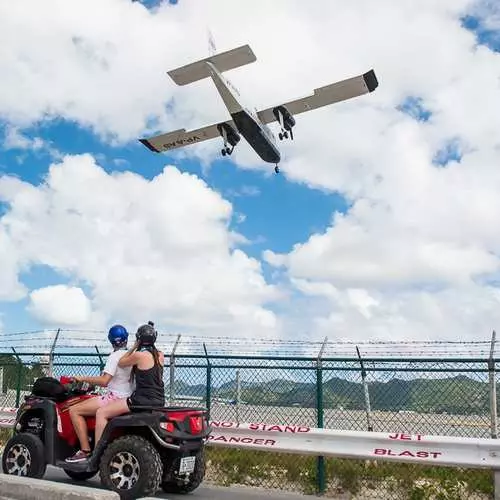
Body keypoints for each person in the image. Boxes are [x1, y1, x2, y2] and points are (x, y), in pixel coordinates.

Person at [91, 321, 165, 451]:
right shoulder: (160, 355)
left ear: (138, 339)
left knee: (101, 413)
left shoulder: (138, 355)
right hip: (159, 400)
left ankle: (97, 452)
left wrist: (134, 346)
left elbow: (121, 362)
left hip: (141, 400)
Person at [65, 324, 134, 463]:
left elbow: (104, 381)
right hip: (128, 398)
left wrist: (81, 378)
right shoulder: (132, 356)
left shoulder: (115, 356)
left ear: (111, 340)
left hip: (114, 398)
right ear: (126, 338)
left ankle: (85, 450)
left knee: (74, 410)